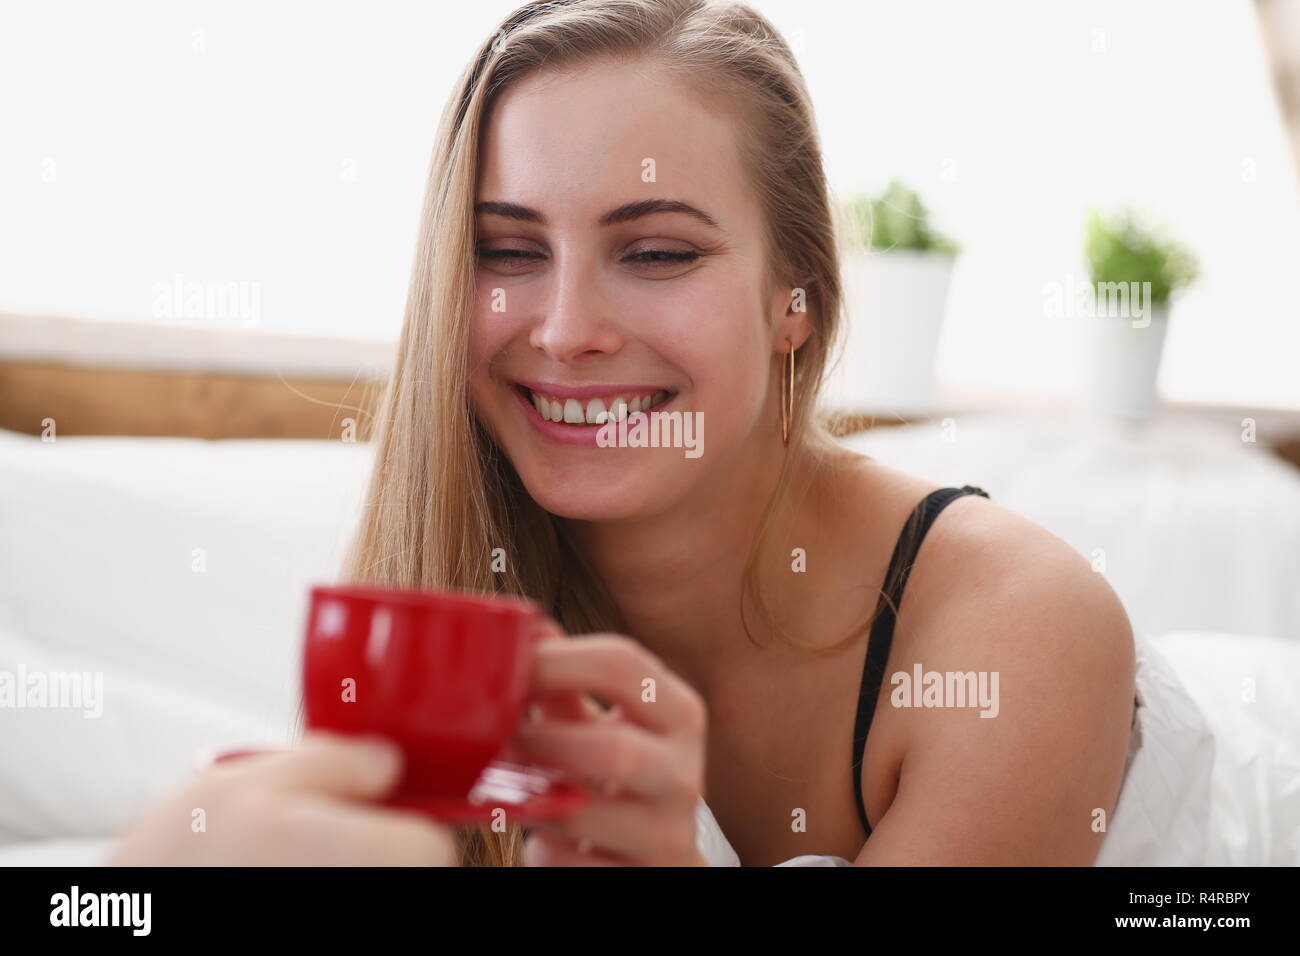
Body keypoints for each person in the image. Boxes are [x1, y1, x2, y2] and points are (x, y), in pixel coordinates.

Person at [109, 0, 1135, 867]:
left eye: (653, 252)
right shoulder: (449, 576)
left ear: (797, 296)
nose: (563, 331)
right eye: (507, 250)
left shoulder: (1017, 629)